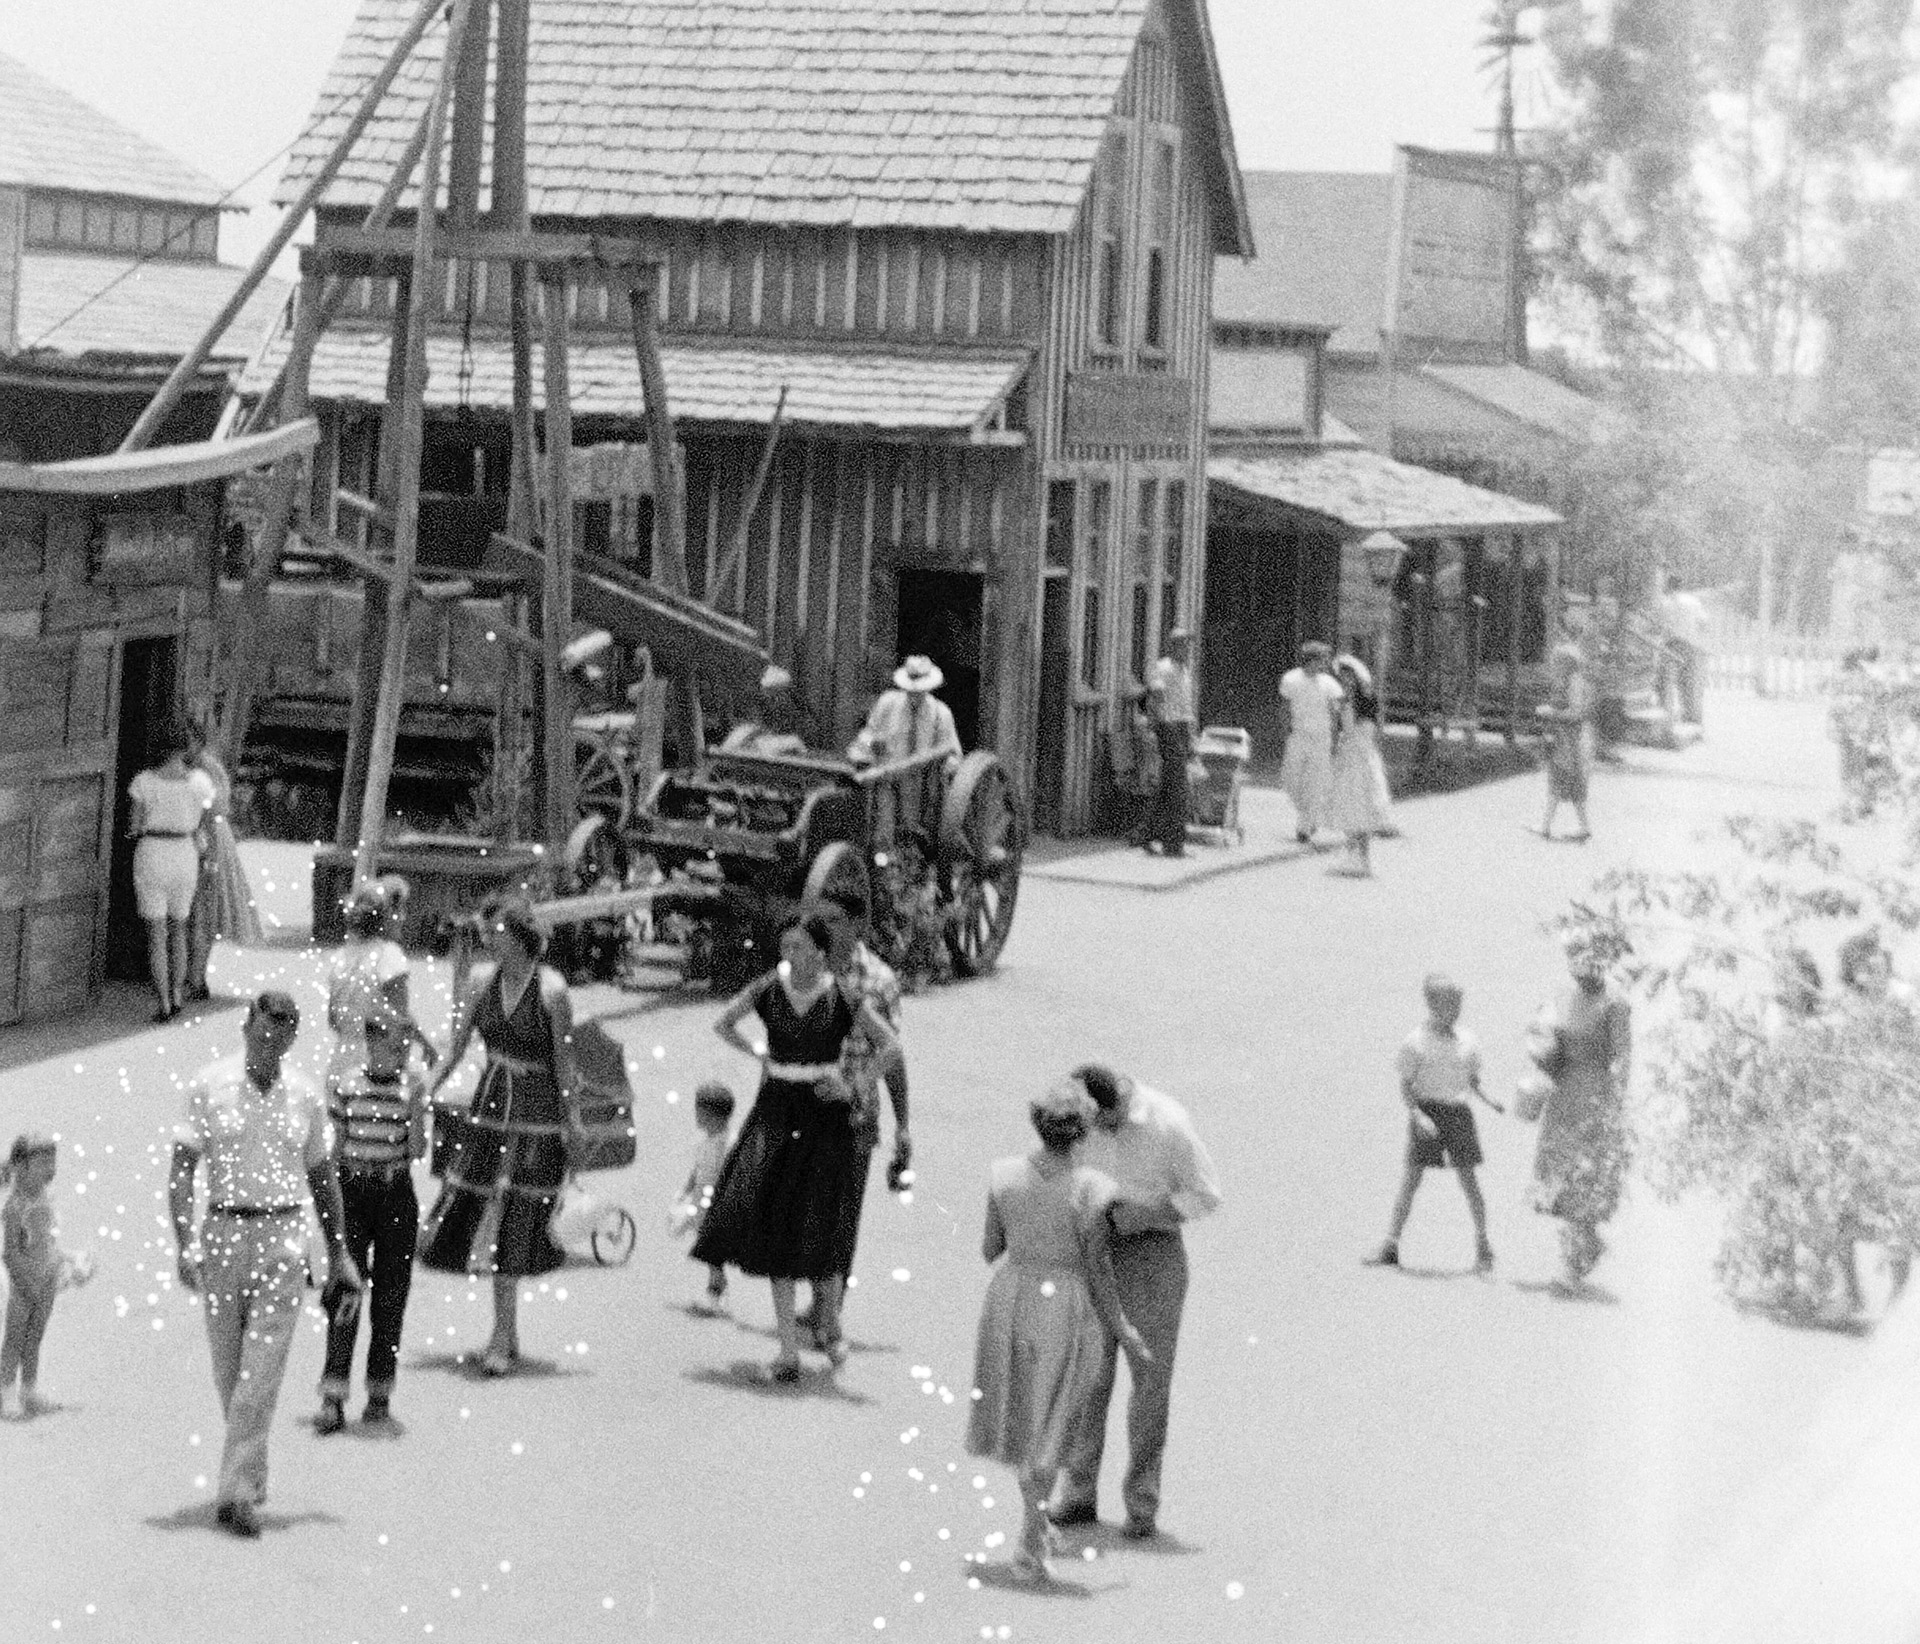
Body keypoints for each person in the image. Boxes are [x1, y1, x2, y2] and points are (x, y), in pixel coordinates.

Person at [169, 992, 361, 1538]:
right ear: (246, 1023)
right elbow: (183, 1169)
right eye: (267, 1023)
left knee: (263, 1367)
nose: (275, 1034)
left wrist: (339, 1250)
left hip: (282, 1236)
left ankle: (236, 1493)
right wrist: (185, 1241)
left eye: (287, 1027)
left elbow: (323, 1179)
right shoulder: (208, 1086)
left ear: (294, 1037)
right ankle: (249, 1468)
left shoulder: (303, 1096)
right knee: (229, 1367)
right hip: (224, 1232)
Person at [692, 911, 899, 1381]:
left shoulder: (843, 996)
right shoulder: (769, 988)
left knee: (822, 1222)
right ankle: (787, 1348)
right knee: (773, 1221)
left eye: (802, 947)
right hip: (775, 1111)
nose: (792, 956)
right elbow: (724, 1022)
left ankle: (829, 1321)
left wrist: (853, 1083)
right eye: (787, 946)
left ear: (822, 952)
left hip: (825, 1119)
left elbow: (890, 1045)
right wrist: (758, 1053)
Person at [967, 1079, 1150, 1581]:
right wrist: (1123, 1328)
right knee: (1056, 1418)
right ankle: (1032, 1529)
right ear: (1082, 1133)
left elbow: (990, 1250)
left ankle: (1032, 1524)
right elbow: (1098, 1269)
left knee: (1023, 1416)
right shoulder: (1092, 1188)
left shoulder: (1003, 1175)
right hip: (1066, 1304)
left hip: (1010, 1299)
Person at [1052, 1063, 1223, 1540]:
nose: (1094, 1131)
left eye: (1102, 1122)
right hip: (1092, 1247)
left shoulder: (1168, 1123)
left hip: (1152, 1251)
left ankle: (1142, 1502)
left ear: (1120, 1101)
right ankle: (1079, 1492)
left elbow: (1206, 1194)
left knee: (1149, 1382)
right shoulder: (1076, 1122)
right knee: (1088, 1375)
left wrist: (1148, 1214)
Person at [418, 899, 587, 1377]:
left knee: (516, 1216)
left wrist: (572, 1124)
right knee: (487, 1214)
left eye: (496, 932)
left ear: (518, 938)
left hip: (536, 1113)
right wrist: (427, 1087)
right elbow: (456, 1044)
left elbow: (564, 1065)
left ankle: (502, 1333)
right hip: (491, 1108)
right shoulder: (479, 982)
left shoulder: (552, 991)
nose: (488, 939)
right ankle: (504, 1331)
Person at [798, 891, 913, 1353]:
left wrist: (904, 1125)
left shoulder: (879, 981)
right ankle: (821, 1298)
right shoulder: (810, 970)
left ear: (856, 925)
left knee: (841, 1215)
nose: (823, 929)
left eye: (833, 920)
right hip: (806, 1109)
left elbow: (894, 1057)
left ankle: (832, 1308)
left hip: (853, 1114)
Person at [316, 1015, 428, 1435]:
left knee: (391, 1294)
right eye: (396, 1047)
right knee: (346, 1290)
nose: (402, 1057)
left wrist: (417, 1107)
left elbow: (417, 1150)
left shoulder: (408, 1089)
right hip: (354, 1192)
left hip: (395, 1191)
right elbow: (335, 1151)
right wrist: (330, 1215)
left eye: (406, 1050)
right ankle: (333, 1391)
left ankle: (380, 1389)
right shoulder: (346, 1086)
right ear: (372, 1044)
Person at [1363, 975, 1502, 1273]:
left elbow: (1473, 1081)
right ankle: (1390, 1245)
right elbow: (1406, 1086)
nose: (1455, 1009)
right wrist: (1418, 1116)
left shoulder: (1467, 1040)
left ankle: (1483, 1247)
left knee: (1470, 1181)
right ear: (1431, 1004)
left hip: (1459, 1114)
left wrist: (1489, 1100)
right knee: (1411, 1180)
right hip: (1428, 1113)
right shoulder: (1415, 1042)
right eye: (1449, 1003)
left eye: (1458, 1003)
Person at [1524, 930, 1632, 1289]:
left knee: (1585, 1179)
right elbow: (1545, 1034)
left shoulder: (1615, 1001)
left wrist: (1614, 1106)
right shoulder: (1561, 994)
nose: (1580, 970)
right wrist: (1541, 1055)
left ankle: (1574, 1265)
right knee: (1562, 1177)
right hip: (1565, 1093)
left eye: (1586, 960)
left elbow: (1621, 1058)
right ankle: (1580, 1256)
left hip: (1595, 1096)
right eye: (1573, 960)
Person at [128, 724, 215, 1021]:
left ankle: (164, 1001)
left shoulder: (144, 782)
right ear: (182, 749)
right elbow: (202, 822)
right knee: (179, 927)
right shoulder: (200, 782)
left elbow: (134, 826)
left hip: (153, 849)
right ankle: (178, 994)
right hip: (184, 852)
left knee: (157, 933)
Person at [2, 1133, 91, 1420]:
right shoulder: (14, 1207)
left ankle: (29, 1389)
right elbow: (11, 1253)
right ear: (21, 1167)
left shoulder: (45, 1198)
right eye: (41, 1163)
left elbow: (48, 1242)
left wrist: (70, 1261)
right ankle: (6, 1390)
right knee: (15, 1339)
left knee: (34, 1338)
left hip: (46, 1277)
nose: (49, 1169)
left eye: (51, 1162)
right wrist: (26, 1284)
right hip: (23, 1283)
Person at [184, 718, 263, 1002]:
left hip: (211, 837)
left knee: (207, 908)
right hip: (195, 834)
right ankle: (192, 974)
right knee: (192, 911)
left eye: (190, 740)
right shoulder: (187, 767)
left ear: (199, 742)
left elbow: (218, 805)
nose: (186, 747)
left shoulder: (207, 767)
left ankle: (196, 976)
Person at [847, 655, 962, 842]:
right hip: (886, 778)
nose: (914, 695)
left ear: (929, 689)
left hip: (923, 785)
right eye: (910, 690)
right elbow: (866, 735)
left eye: (920, 691)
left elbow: (954, 755)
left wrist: (946, 765)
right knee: (883, 828)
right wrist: (872, 743)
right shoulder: (887, 703)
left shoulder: (941, 714)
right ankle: (883, 858)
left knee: (917, 832)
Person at [1326, 654, 1394, 877]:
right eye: (1342, 676)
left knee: (1357, 802)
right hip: (1359, 753)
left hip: (1358, 754)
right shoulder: (1358, 698)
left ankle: (1360, 857)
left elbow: (1356, 727)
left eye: (1347, 676)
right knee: (1355, 804)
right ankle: (1357, 857)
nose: (1344, 680)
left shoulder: (1355, 699)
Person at [672, 1082, 737, 1312]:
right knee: (707, 1247)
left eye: (699, 1111)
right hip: (701, 1202)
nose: (696, 1116)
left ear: (713, 1116)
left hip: (716, 1205)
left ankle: (715, 1292)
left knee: (711, 1248)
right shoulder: (706, 1141)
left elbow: (727, 1174)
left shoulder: (726, 1143)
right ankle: (716, 1289)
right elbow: (698, 1169)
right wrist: (686, 1190)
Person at [1278, 641, 1342, 846]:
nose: (1324, 664)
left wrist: (1334, 740)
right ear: (1311, 659)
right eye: (1321, 659)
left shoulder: (1330, 684)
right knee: (1291, 780)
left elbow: (1335, 714)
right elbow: (1284, 707)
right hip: (1298, 735)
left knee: (1315, 783)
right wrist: (1284, 731)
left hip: (1321, 739)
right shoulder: (1291, 678)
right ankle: (1309, 816)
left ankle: (1305, 826)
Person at [1144, 628, 1196, 858]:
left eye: (1188, 645)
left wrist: (1190, 735)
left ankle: (1146, 835)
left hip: (1182, 727)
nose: (1186, 649)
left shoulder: (1184, 670)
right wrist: (1164, 726)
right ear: (1172, 646)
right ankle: (1173, 844)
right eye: (1182, 645)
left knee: (1168, 787)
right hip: (1169, 728)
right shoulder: (1163, 668)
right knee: (1178, 789)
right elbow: (1156, 699)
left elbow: (1184, 705)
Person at [1537, 642, 1594, 841]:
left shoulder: (1574, 682)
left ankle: (1548, 826)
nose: (1553, 664)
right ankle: (1549, 825)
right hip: (1563, 737)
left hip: (1570, 740)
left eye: (1557, 661)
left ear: (1566, 663)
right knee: (1562, 780)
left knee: (1564, 778)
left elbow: (1576, 712)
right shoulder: (1566, 680)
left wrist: (1551, 712)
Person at [1107, 685, 1161, 849]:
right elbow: (1144, 747)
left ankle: (1139, 834)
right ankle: (1138, 835)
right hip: (1142, 769)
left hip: (1145, 768)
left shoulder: (1146, 722)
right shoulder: (1142, 723)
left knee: (1142, 802)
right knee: (1142, 803)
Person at [720, 663, 813, 757]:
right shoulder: (741, 734)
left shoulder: (792, 743)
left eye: (778, 697)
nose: (772, 705)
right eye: (768, 699)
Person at [1660, 572, 1709, 728]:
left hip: (1671, 645)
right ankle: (1690, 716)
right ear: (1682, 586)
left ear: (1669, 586)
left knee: (1667, 681)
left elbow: (1660, 624)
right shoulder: (1693, 602)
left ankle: (1666, 713)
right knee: (1688, 682)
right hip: (1690, 645)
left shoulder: (1665, 603)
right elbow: (1703, 623)